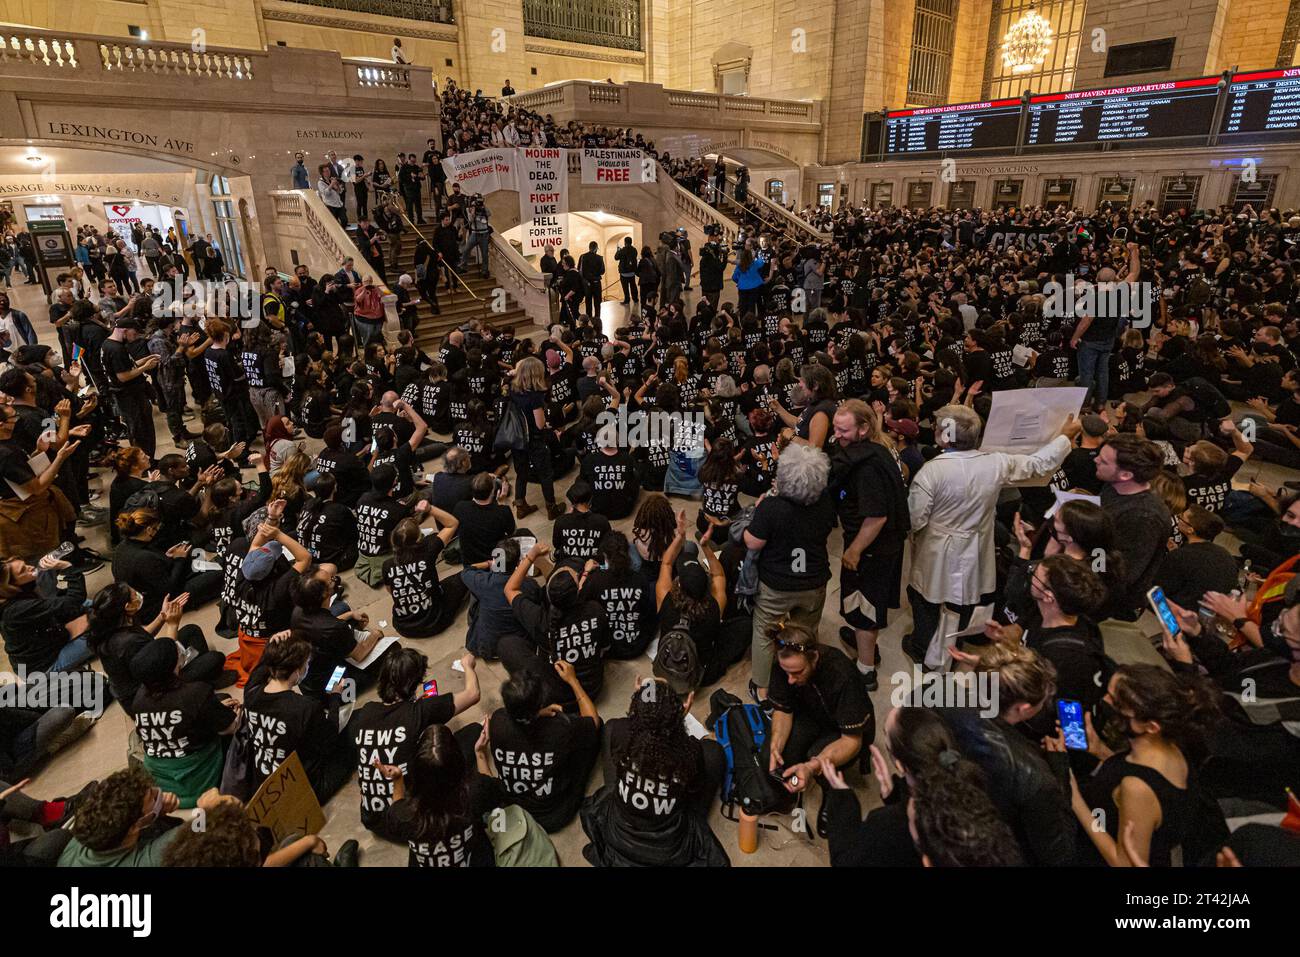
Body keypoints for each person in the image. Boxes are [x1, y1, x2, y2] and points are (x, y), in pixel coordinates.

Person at [905, 405, 1077, 666]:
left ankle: (923, 647)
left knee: (928, 598)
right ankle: (954, 644)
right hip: (976, 542)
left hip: (938, 546)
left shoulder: (932, 471)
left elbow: (916, 517)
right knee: (963, 600)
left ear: (944, 436)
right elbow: (1037, 464)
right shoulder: (995, 462)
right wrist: (1064, 437)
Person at [580, 677, 728, 867]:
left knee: (609, 728)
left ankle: (614, 787)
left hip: (619, 833)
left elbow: (641, 730)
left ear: (635, 711)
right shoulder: (688, 751)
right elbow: (694, 785)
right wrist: (673, 720)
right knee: (713, 752)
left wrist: (644, 703)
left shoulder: (621, 732)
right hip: (668, 849)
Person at [352, 647, 481, 839]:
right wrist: (467, 665)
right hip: (411, 823)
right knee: (472, 732)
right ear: (415, 683)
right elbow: (472, 694)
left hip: (373, 819)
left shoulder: (364, 713)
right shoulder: (420, 712)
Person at [743, 441, 836, 699]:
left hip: (776, 583)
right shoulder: (825, 503)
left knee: (764, 632)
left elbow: (752, 541)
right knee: (805, 632)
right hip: (814, 580)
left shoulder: (771, 508)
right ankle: (803, 676)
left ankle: (762, 688)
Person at [829, 400, 909, 692]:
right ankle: (864, 639)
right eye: (836, 428)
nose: (838, 435)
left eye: (844, 430)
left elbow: (877, 515)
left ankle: (865, 668)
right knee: (865, 605)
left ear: (864, 427)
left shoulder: (866, 469)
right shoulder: (880, 447)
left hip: (871, 548)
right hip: (886, 545)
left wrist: (854, 550)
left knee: (864, 604)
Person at [372, 722, 509, 867]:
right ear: (459, 763)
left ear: (415, 772)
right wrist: (480, 754)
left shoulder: (404, 815)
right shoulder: (475, 793)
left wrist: (398, 779)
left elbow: (396, 810)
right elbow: (491, 790)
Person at [129, 638, 240, 808]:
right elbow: (229, 728)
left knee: (220, 700)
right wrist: (236, 715)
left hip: (162, 783)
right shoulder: (196, 693)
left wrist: (212, 709)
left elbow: (174, 717)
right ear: (172, 665)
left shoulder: (139, 699)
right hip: (198, 780)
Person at [243, 637, 356, 802]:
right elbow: (330, 739)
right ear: (296, 671)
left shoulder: (251, 694)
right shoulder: (305, 708)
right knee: (355, 727)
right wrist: (334, 697)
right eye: (305, 664)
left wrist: (273, 646)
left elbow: (260, 669)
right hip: (306, 788)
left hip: (265, 778)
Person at [383, 516, 468, 638]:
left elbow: (391, 591)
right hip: (436, 621)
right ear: (418, 539)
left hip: (405, 626)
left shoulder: (387, 565)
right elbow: (452, 524)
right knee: (465, 576)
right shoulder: (428, 552)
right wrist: (430, 508)